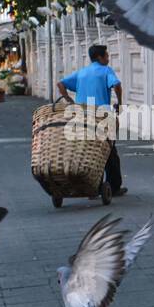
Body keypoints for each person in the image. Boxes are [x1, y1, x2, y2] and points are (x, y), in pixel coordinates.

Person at [58, 44, 126, 195]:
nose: (108, 59)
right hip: (101, 117)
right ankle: (114, 187)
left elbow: (60, 84)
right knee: (108, 152)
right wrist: (120, 104)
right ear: (99, 57)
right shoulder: (105, 70)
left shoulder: (82, 72)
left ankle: (92, 185)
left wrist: (69, 100)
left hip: (81, 116)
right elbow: (117, 85)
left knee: (88, 151)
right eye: (106, 56)